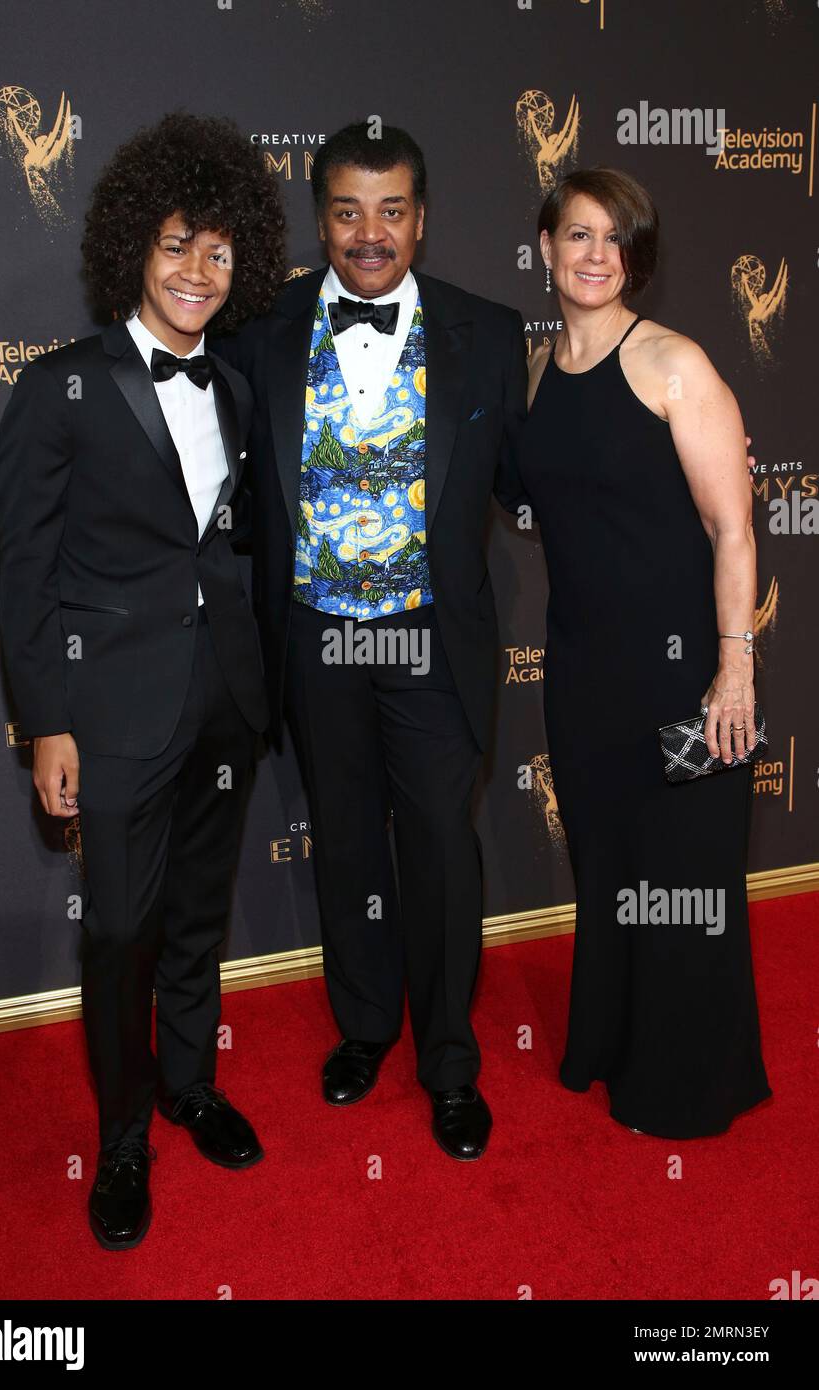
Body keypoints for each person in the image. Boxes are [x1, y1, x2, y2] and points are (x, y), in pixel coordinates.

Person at [0, 112, 285, 1248]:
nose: (196, 272)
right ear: (132, 247)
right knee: (120, 930)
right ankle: (121, 1143)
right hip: (108, 710)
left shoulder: (240, 389)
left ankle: (188, 1084)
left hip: (226, 698)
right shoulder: (61, 386)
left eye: (219, 251)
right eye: (176, 244)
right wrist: (45, 726)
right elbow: (24, 575)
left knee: (197, 919)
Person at [216, 122, 529, 1160]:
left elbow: (535, 477)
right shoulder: (259, 330)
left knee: (439, 845)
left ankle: (448, 1059)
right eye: (347, 210)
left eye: (390, 210)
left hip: (431, 640)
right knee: (345, 836)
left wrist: (666, 450)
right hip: (315, 635)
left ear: (422, 220)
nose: (369, 233)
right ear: (320, 218)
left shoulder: (488, 333)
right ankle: (363, 1028)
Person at [520, 166, 771, 1137]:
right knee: (610, 866)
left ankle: (685, 1081)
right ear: (544, 246)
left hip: (683, 674)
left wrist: (734, 668)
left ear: (637, 258)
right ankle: (610, 1043)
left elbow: (732, 530)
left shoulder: (676, 364)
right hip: (583, 673)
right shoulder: (539, 370)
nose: (593, 256)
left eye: (613, 241)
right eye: (576, 235)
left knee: (682, 876)